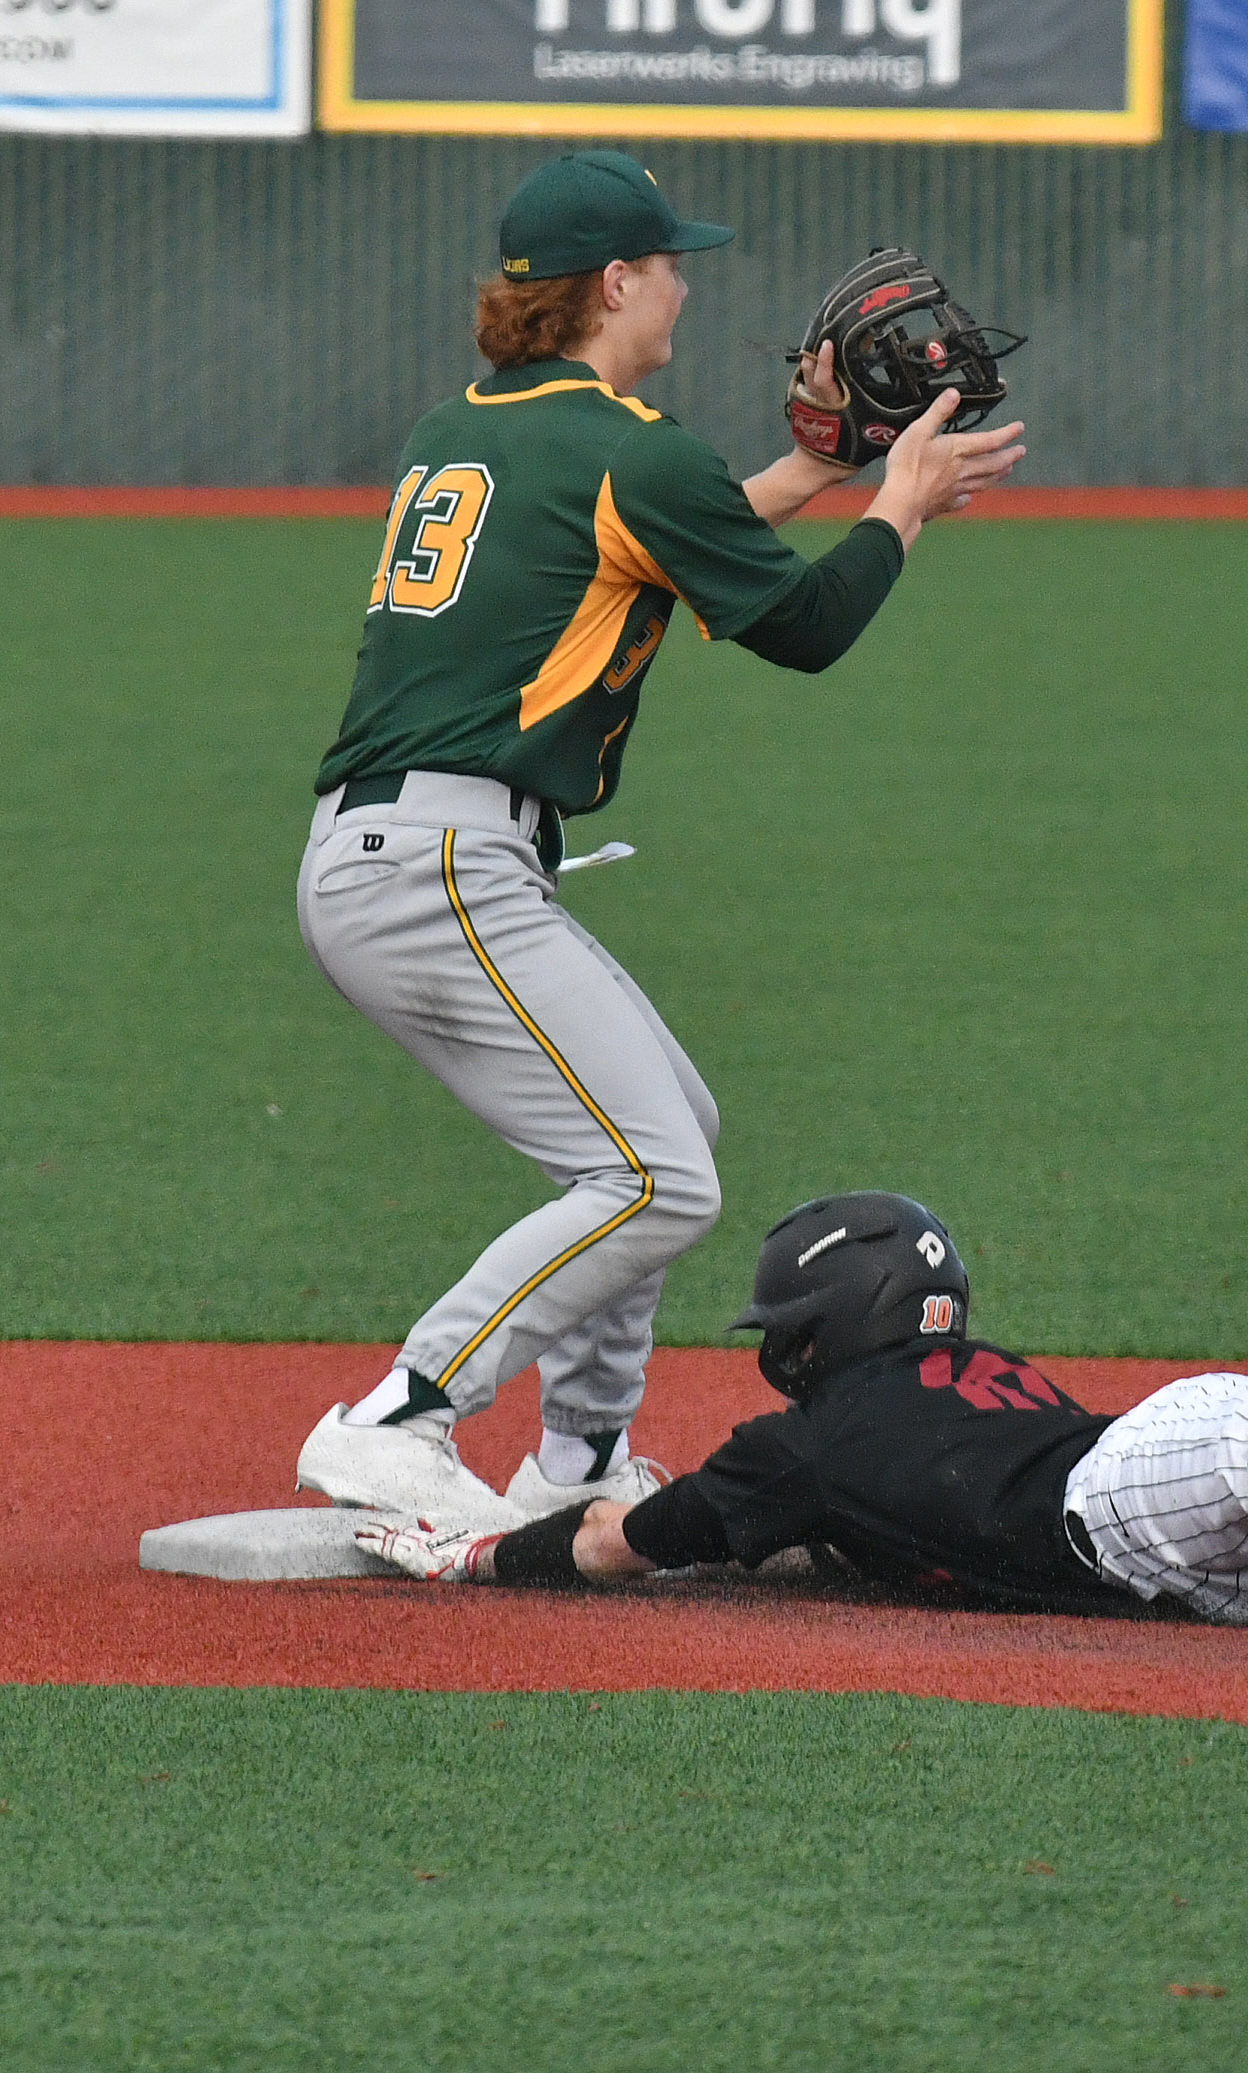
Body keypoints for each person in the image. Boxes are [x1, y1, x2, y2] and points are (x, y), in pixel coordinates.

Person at [292, 154, 1027, 1531]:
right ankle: (405, 1406)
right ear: (614, 284)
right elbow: (800, 630)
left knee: (668, 1132)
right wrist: (896, 508)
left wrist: (818, 464)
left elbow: (660, 536)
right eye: (669, 262)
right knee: (651, 1174)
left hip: (409, 854)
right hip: (437, 865)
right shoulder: (630, 446)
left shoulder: (474, 429)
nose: (686, 280)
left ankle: (577, 1461)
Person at [357, 1193, 1248, 1653]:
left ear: (829, 1321)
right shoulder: (940, 1386)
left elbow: (616, 1547)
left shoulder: (800, 1446)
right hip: (1166, 1542)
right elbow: (813, 1532)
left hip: (1118, 1509)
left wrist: (480, 1556)